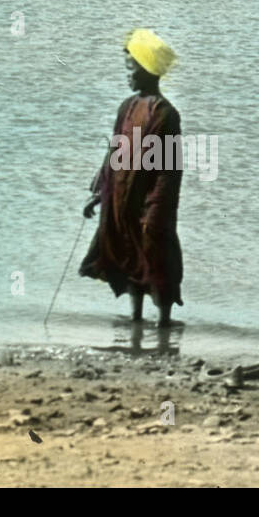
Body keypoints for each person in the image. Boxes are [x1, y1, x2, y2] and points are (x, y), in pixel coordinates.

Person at [79, 29, 184, 326]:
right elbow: (115, 150)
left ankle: (164, 321)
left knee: (156, 256)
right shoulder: (127, 107)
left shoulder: (165, 114)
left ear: (149, 71)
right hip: (121, 196)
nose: (128, 75)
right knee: (128, 253)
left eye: (132, 68)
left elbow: (169, 169)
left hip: (149, 200)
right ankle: (135, 318)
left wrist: (157, 210)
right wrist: (100, 190)